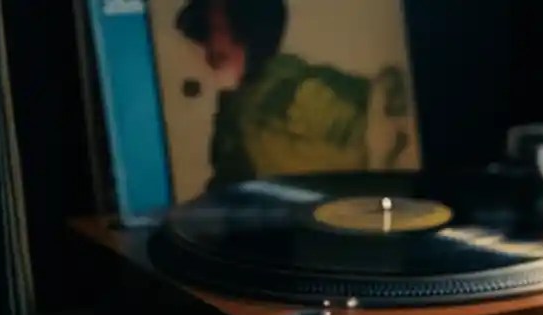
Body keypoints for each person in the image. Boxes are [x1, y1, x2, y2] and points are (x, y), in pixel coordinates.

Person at [174, 0, 416, 189]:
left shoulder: (298, 92)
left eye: (215, 33)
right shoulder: (237, 106)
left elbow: (389, 127)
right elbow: (228, 180)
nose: (207, 53)